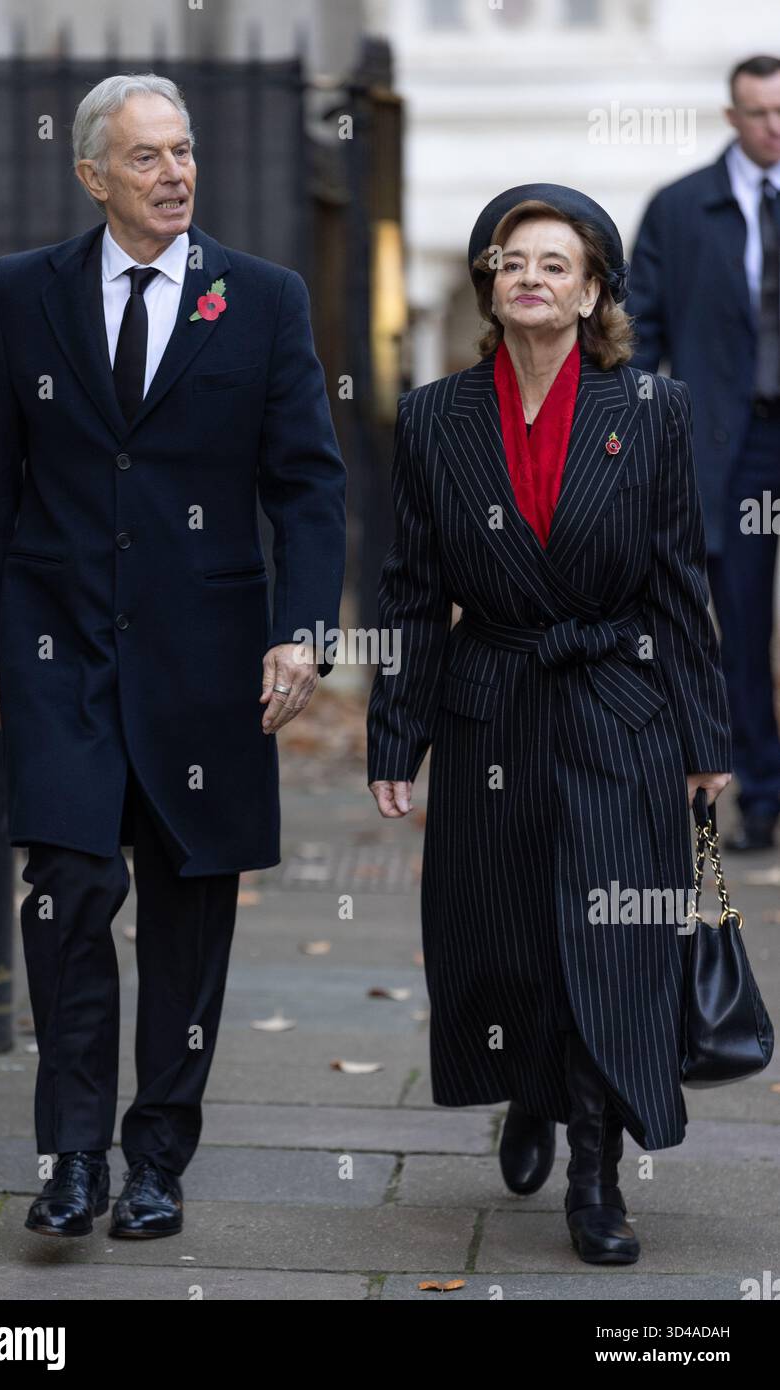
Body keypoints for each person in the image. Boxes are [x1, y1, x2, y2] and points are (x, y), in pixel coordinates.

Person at [0, 72, 346, 1239]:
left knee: (187, 907)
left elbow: (308, 484)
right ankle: (69, 1155)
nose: (173, 174)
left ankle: (158, 1155)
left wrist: (301, 626)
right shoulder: (24, 293)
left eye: (181, 152)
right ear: (90, 175)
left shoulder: (262, 299)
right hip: (55, 645)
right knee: (68, 899)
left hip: (206, 658)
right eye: (145, 158)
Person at [366, 183, 732, 1266]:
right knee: (508, 939)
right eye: (509, 260)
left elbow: (678, 586)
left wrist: (703, 744)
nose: (529, 276)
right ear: (488, 282)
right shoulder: (436, 416)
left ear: (590, 292)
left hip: (617, 705)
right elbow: (406, 589)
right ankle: (526, 1085)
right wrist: (397, 733)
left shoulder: (649, 411)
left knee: (610, 947)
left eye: (552, 264)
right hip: (492, 705)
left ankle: (593, 1170)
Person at [627, 53, 780, 851]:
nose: (775, 127)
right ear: (732, 116)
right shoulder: (683, 209)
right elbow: (639, 331)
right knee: (741, 628)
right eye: (760, 113)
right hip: (734, 445)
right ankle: (759, 795)